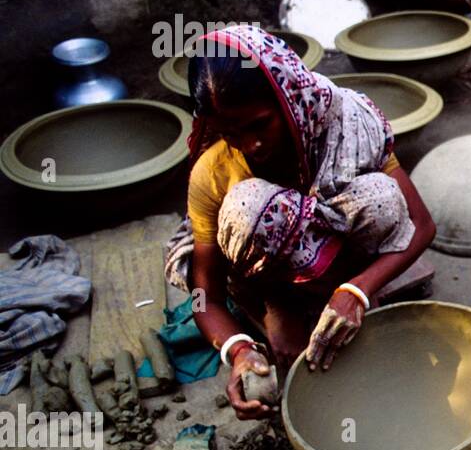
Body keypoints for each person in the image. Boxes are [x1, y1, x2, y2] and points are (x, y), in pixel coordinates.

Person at [163, 25, 436, 420]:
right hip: (262, 276)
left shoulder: (344, 124)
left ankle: (340, 294)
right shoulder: (215, 171)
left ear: (287, 99)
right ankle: (280, 308)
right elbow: (206, 297)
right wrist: (239, 349)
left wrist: (358, 291)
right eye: (230, 132)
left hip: (345, 259)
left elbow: (422, 225)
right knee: (249, 205)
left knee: (380, 197)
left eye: (259, 124)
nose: (250, 144)